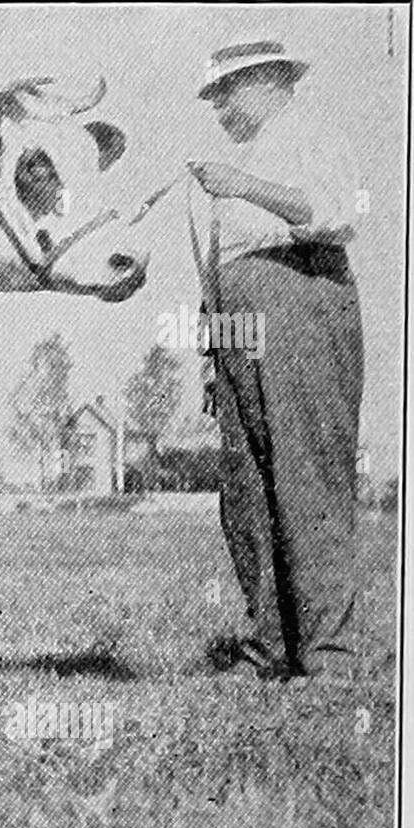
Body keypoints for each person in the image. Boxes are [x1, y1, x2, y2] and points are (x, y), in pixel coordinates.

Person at [188, 40, 364, 683]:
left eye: (224, 95)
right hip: (238, 323)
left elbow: (338, 213)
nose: (218, 110)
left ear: (264, 81)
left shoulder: (314, 132)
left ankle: (327, 657)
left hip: (303, 300)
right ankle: (269, 649)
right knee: (246, 489)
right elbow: (220, 265)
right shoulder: (242, 159)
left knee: (306, 475)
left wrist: (243, 186)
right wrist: (214, 351)